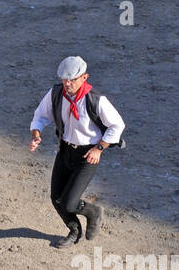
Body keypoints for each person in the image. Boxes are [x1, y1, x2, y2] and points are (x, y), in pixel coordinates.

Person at [29, 55, 126, 248]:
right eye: (65, 79)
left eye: (72, 79)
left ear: (84, 77)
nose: (67, 83)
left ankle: (93, 212)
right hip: (64, 150)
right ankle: (74, 231)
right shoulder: (56, 94)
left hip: (87, 156)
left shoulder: (96, 100)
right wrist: (36, 134)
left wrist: (99, 149)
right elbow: (40, 116)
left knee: (68, 203)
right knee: (56, 198)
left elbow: (117, 125)